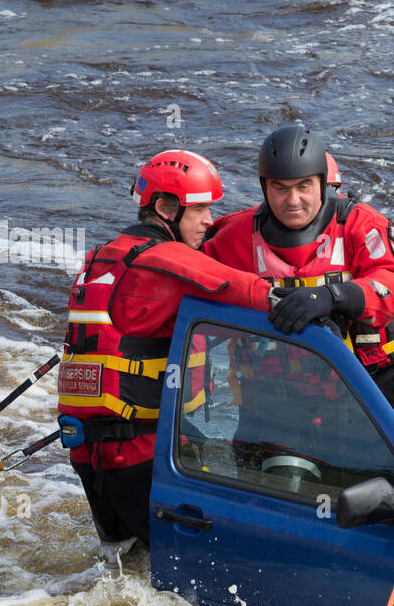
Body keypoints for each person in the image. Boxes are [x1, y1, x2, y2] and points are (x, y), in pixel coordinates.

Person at [57, 148, 274, 559]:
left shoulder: (101, 255)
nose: (209, 221)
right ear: (164, 208)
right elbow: (249, 292)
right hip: (141, 459)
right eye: (201, 210)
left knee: (127, 568)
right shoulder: (165, 261)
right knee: (203, 575)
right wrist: (329, 299)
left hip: (91, 457)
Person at [201, 124, 394, 403]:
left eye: (303, 186)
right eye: (280, 188)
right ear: (264, 188)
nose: (292, 201)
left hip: (362, 392)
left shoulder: (361, 226)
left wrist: (335, 296)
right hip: (271, 399)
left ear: (321, 183)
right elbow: (186, 279)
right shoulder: (234, 237)